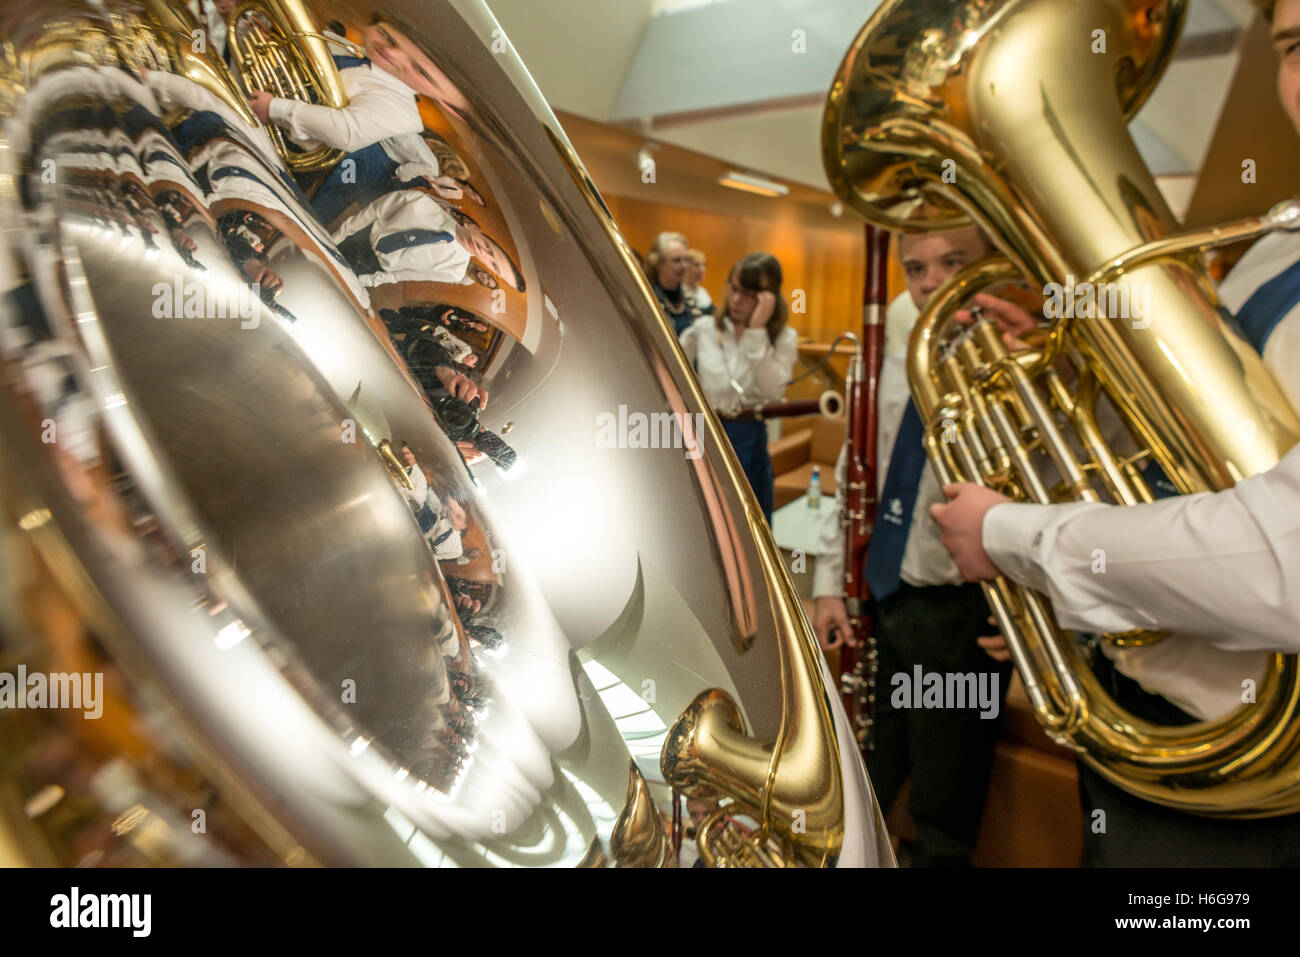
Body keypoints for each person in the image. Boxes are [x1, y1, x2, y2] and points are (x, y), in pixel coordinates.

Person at [927, 0, 1300, 865]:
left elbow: (1284, 556)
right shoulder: (1274, 247)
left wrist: (1007, 532)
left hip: (1250, 797)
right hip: (1153, 738)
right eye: (1293, 45)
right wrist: (1078, 387)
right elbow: (1207, 458)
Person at [812, 226, 1011, 867]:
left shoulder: (1015, 358)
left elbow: (1060, 497)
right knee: (868, 767)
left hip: (968, 613)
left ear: (988, 264)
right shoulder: (893, 354)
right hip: (888, 596)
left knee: (944, 799)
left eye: (952, 263)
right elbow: (853, 474)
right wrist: (828, 584)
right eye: (915, 267)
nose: (930, 282)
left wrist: (1037, 613)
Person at [679, 253, 797, 524]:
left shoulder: (783, 338)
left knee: (751, 531)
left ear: (769, 299)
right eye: (734, 288)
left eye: (748, 294)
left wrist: (756, 333)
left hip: (750, 445)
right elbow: (672, 374)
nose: (735, 300)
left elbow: (772, 393)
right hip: (706, 439)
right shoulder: (704, 329)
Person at [246, 17, 424, 155]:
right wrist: (272, 38)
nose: (390, 51)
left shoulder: (403, 110)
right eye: (390, 39)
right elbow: (302, 49)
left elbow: (345, 131)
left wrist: (274, 108)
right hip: (257, 99)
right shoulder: (353, 50)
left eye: (414, 63)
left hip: (277, 140)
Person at [645, 232, 703, 335]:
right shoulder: (649, 298)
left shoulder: (690, 298)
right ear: (658, 263)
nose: (683, 266)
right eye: (676, 260)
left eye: (685, 259)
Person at [685, 249, 714, 315]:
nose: (701, 269)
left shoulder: (703, 291)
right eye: (696, 265)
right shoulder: (681, 292)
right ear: (686, 267)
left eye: (704, 265)